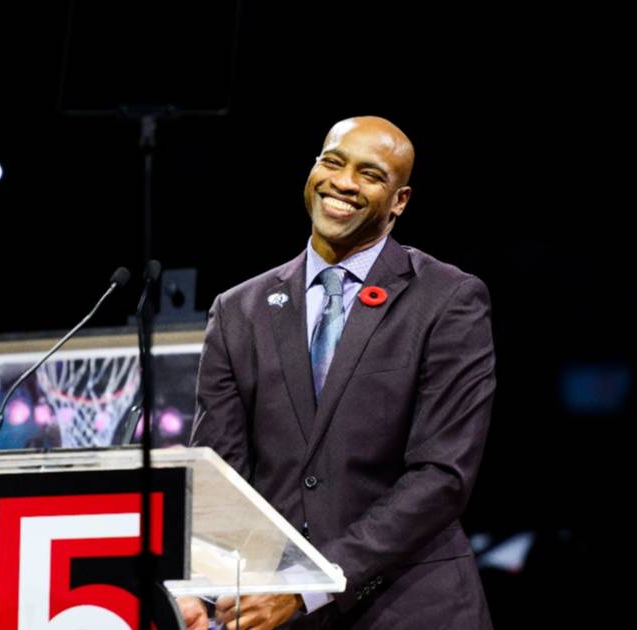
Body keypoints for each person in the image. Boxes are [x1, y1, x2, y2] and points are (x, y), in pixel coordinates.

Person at [181, 116, 496, 629]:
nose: (344, 182)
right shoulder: (238, 311)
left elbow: (442, 476)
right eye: (332, 162)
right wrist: (201, 584)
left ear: (400, 200)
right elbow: (222, 475)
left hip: (412, 607)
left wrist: (309, 586)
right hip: (277, 616)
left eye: (370, 174)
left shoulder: (448, 300)